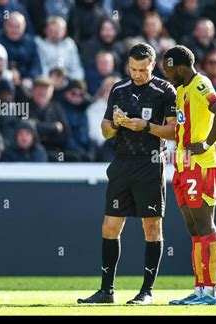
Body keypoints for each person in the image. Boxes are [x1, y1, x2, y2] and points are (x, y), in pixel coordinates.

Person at [77, 43, 176, 305]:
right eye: (133, 69)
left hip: (150, 164)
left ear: (153, 65)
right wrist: (117, 124)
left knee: (151, 227)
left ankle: (147, 292)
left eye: (143, 69)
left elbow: (173, 131)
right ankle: (106, 291)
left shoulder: (165, 90)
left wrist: (145, 126)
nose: (138, 74)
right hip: (122, 163)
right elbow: (105, 130)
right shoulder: (119, 89)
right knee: (110, 226)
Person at [163, 45, 216, 305]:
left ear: (181, 67)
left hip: (201, 165)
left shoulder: (200, 84)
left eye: (169, 70)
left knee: (205, 225)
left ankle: (211, 290)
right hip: (183, 166)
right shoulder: (182, 90)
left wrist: (206, 143)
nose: (167, 75)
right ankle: (200, 288)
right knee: (194, 229)